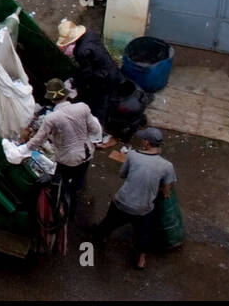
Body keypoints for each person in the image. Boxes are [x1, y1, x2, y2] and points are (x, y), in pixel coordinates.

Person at [19, 78, 103, 226]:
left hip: (67, 160)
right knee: (77, 184)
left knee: (61, 185)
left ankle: (60, 211)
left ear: (52, 99)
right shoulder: (82, 107)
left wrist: (22, 149)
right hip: (86, 154)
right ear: (66, 95)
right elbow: (95, 129)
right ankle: (72, 212)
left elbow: (38, 140)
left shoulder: (52, 118)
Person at [92, 127, 176, 269]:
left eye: (143, 139)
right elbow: (166, 192)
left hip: (122, 202)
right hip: (143, 209)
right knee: (145, 232)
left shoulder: (132, 155)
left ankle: (101, 237)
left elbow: (122, 174)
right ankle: (141, 259)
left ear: (147, 143)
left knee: (109, 222)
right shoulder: (167, 166)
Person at [57, 19, 123, 136]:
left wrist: (77, 84)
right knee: (111, 98)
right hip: (111, 68)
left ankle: (98, 132)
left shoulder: (81, 51)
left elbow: (87, 73)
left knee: (101, 104)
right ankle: (108, 122)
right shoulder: (90, 34)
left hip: (103, 77)